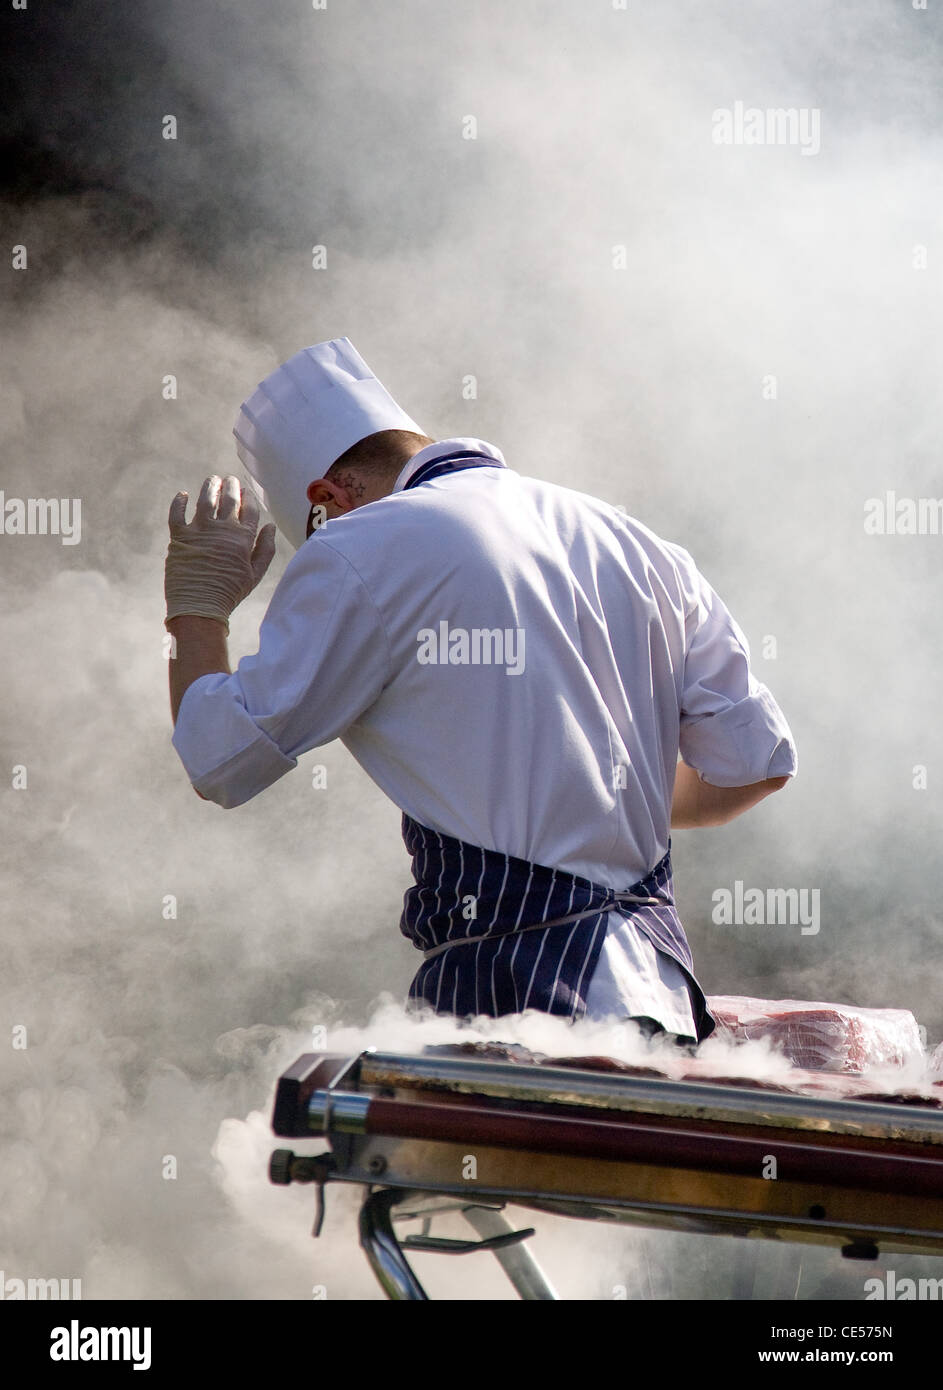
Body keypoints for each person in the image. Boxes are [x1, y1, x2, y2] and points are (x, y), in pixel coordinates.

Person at [164, 337, 797, 1047]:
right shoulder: (637, 541)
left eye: (315, 531)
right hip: (660, 989)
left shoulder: (361, 543)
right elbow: (756, 764)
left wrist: (197, 609)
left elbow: (219, 758)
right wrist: (604, 802)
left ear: (326, 497)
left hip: (519, 992)